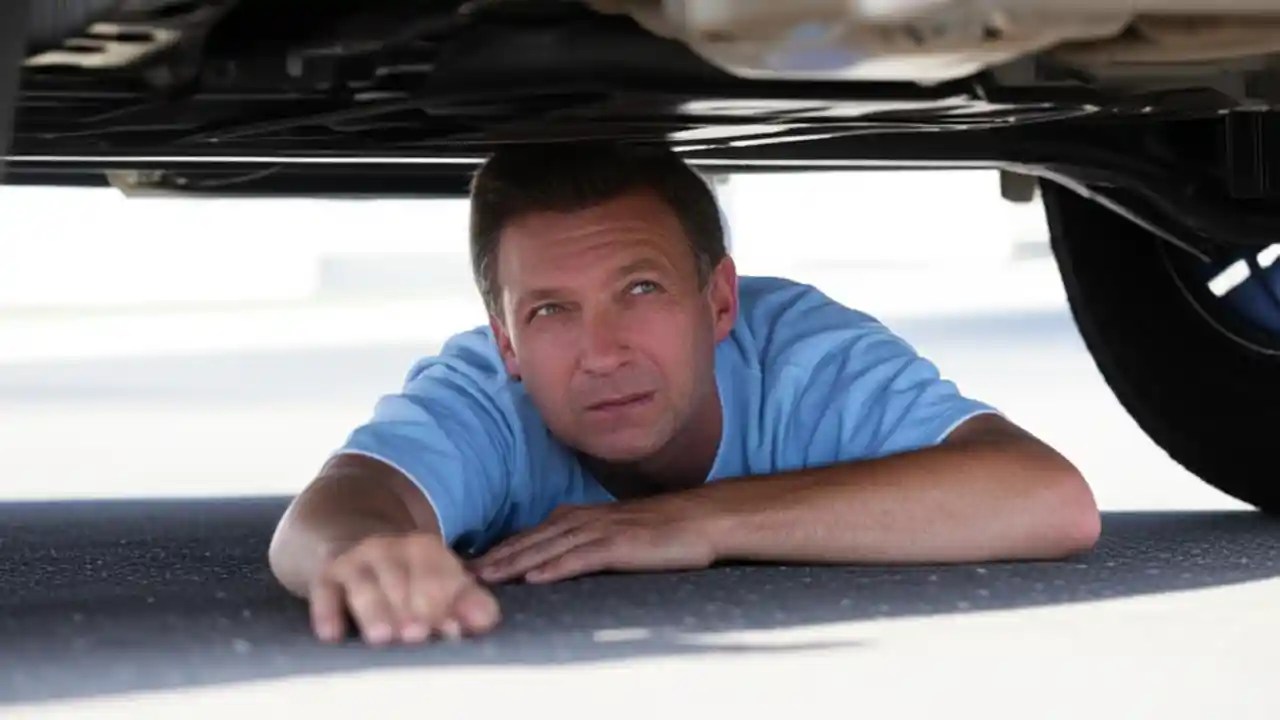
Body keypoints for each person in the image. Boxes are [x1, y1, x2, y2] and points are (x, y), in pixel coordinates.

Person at [267, 142, 1101, 647]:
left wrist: (698, 521)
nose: (601, 353)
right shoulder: (488, 397)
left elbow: (1050, 499)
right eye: (552, 311)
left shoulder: (802, 357)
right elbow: (336, 509)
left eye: (640, 290)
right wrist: (364, 556)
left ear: (720, 302)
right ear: (507, 343)